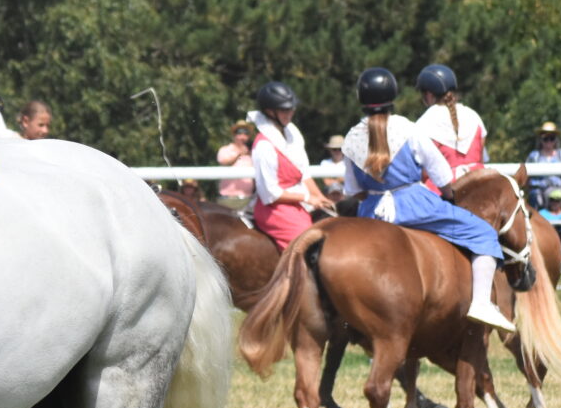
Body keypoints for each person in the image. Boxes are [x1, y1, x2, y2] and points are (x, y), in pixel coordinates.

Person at [336, 66, 512, 331]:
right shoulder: (407, 127)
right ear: (392, 95)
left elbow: (352, 190)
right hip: (415, 204)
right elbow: (440, 173)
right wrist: (449, 197)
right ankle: (481, 303)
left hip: (372, 211)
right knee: (484, 234)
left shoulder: (350, 138)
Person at [249, 81, 329, 248]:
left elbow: (304, 174)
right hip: (274, 209)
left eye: (292, 108)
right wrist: (307, 197)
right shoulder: (264, 146)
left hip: (296, 202)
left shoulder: (292, 135)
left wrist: (320, 197)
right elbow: (269, 193)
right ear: (269, 111)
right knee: (309, 244)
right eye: (285, 109)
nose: (291, 112)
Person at [412, 63, 486, 175]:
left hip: (444, 188)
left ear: (428, 95)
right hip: (479, 181)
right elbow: (481, 159)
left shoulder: (423, 124)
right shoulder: (474, 116)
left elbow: (422, 172)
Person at [523, 121, 561, 209]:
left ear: (556, 140)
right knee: (536, 197)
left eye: (552, 138)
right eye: (546, 139)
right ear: (541, 140)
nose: (549, 142)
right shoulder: (534, 156)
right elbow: (526, 178)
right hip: (540, 190)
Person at [216, 119, 256, 212]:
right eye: (239, 133)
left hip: (248, 199)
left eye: (246, 133)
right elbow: (224, 162)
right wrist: (239, 154)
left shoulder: (253, 153)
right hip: (228, 198)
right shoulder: (225, 149)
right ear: (234, 135)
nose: (243, 136)